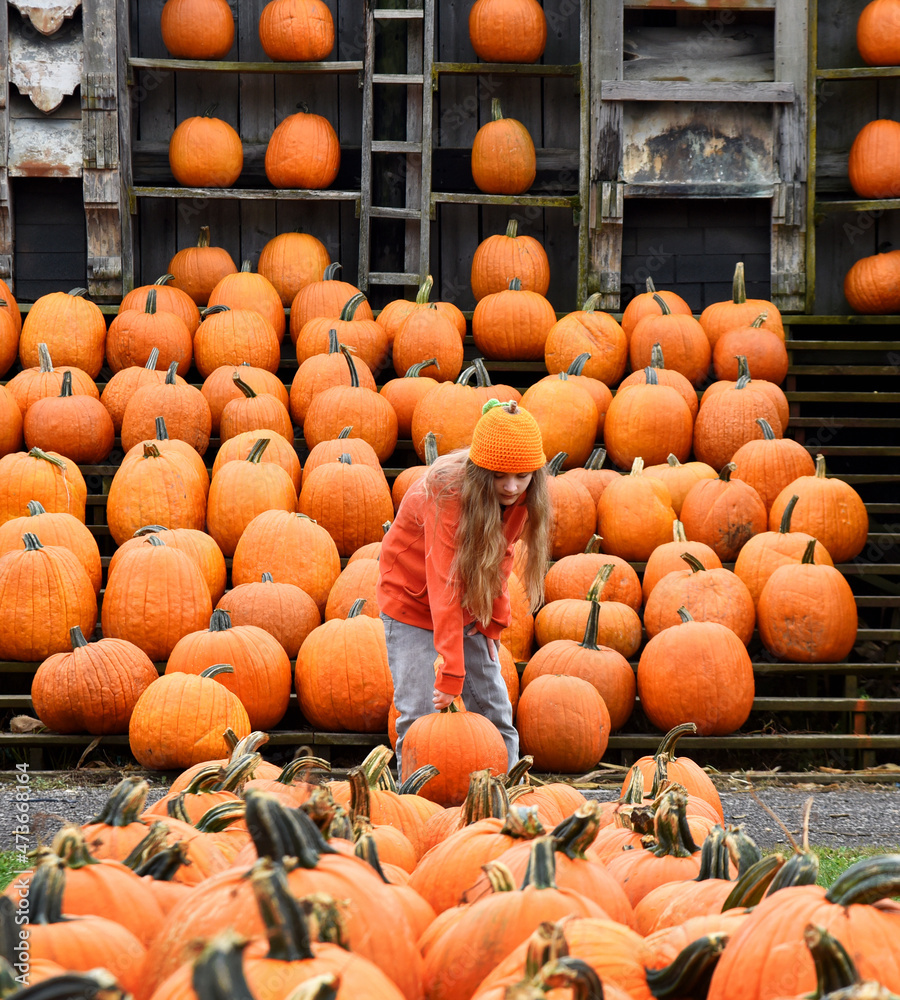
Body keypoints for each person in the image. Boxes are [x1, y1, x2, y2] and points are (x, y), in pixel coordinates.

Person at [376, 398, 551, 775]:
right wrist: (452, 671)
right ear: (480, 468)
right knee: (419, 710)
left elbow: (499, 559)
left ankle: (508, 791)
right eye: (500, 475)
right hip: (412, 601)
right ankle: (414, 798)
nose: (511, 486)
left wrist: (492, 620)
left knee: (495, 708)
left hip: (466, 603)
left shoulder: (522, 497)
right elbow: (444, 584)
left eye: (522, 476)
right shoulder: (448, 493)